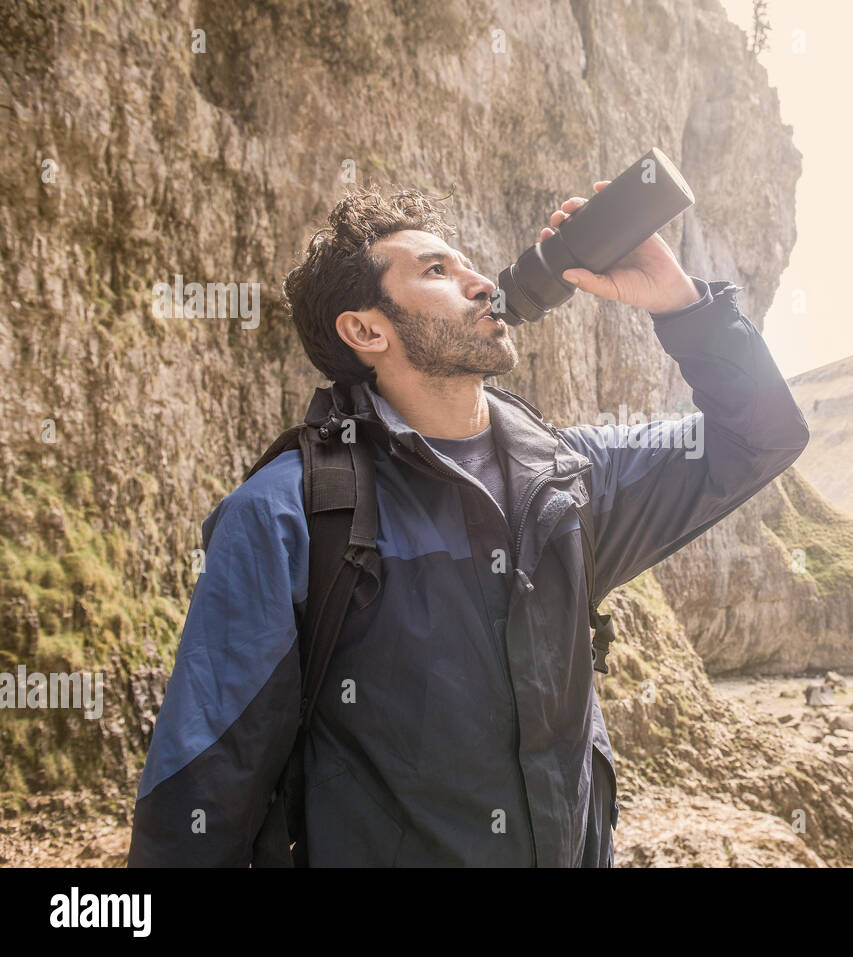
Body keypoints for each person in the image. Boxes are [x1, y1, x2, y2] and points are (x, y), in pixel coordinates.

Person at [127, 182, 810, 866]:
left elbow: (760, 438)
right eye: (436, 271)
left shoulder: (571, 481)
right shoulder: (287, 516)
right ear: (368, 329)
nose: (481, 282)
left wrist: (682, 304)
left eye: (466, 264)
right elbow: (197, 801)